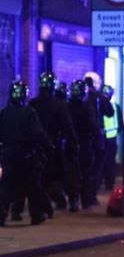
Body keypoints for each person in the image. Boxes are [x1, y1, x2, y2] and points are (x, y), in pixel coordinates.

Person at [0, 81, 54, 226]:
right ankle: (36, 215)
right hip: (26, 155)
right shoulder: (29, 113)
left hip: (8, 154)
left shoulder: (4, 113)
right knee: (32, 186)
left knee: (6, 186)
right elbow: (38, 133)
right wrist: (49, 147)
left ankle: (2, 214)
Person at [28, 72, 79, 213]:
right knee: (60, 174)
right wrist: (72, 143)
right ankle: (59, 199)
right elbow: (67, 126)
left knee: (40, 178)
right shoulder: (60, 105)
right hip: (54, 147)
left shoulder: (33, 104)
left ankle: (48, 202)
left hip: (37, 147)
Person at [67, 79, 99, 209]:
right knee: (86, 174)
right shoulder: (88, 108)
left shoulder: (67, 107)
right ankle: (86, 201)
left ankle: (73, 201)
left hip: (70, 144)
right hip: (85, 143)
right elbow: (93, 126)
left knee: (72, 173)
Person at [84, 72, 113, 196]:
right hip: (97, 136)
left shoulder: (81, 98)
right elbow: (110, 112)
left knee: (84, 166)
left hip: (82, 137)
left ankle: (83, 194)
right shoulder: (99, 98)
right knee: (97, 166)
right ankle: (91, 194)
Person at [100, 85, 122, 190]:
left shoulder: (99, 105)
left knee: (102, 162)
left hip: (102, 138)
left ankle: (100, 182)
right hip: (112, 138)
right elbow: (120, 124)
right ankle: (109, 184)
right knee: (110, 162)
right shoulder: (115, 107)